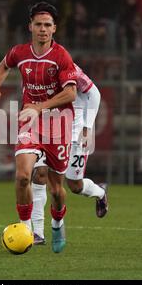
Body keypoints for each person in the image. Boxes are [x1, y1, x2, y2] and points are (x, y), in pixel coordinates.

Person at [0, 2, 77, 253]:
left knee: (57, 189)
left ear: (54, 29)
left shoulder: (61, 56)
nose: (42, 29)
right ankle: (26, 229)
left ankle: (58, 223)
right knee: (23, 176)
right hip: (31, 122)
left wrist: (40, 107)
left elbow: (70, 93)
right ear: (30, 26)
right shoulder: (19, 52)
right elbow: (4, 65)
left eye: (47, 25)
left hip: (59, 125)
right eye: (38, 24)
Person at [31, 63, 109, 245]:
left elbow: (94, 93)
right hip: (47, 133)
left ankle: (100, 192)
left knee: (74, 186)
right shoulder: (36, 68)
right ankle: (38, 233)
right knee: (40, 174)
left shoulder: (69, 68)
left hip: (74, 135)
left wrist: (87, 127)